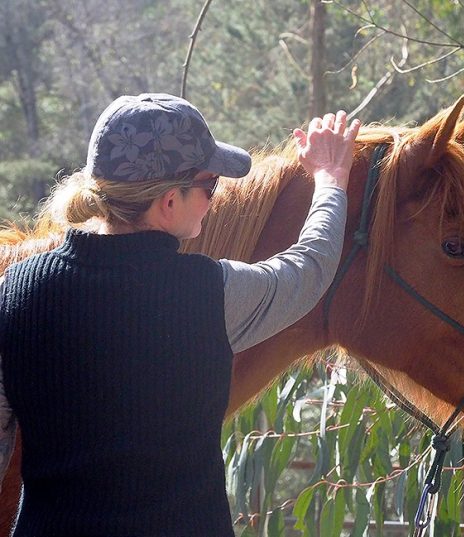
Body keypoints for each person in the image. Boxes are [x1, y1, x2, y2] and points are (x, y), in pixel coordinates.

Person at [0, 93, 360, 536]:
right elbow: (309, 269)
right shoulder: (208, 295)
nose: (214, 198)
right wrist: (331, 178)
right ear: (169, 203)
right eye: (210, 186)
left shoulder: (14, 291)